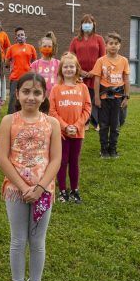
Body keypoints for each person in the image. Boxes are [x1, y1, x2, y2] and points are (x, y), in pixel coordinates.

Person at [0, 73, 62, 281]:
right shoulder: (9, 121)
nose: (31, 97)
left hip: (43, 192)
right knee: (18, 240)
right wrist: (23, 188)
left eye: (36, 92)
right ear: (17, 94)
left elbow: (56, 159)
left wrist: (40, 187)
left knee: (37, 241)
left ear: (44, 95)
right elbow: (2, 158)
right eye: (26, 91)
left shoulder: (52, 123)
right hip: (16, 190)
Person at [49, 53, 92, 203]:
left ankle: (74, 190)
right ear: (61, 69)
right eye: (65, 66)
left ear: (77, 68)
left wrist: (78, 125)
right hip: (61, 132)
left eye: (71, 66)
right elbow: (52, 110)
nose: (68, 69)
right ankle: (62, 191)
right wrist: (65, 126)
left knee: (74, 161)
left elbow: (87, 108)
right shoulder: (56, 88)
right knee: (62, 161)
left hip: (78, 132)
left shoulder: (83, 88)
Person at [91, 32, 130, 158]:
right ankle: (104, 150)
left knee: (115, 125)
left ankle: (112, 149)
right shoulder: (100, 61)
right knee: (103, 125)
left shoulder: (124, 61)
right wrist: (96, 97)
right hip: (103, 98)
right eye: (111, 43)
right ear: (106, 45)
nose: (113, 46)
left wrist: (126, 96)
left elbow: (126, 79)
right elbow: (96, 80)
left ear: (120, 46)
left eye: (116, 43)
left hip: (118, 98)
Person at [68, 14, 105, 129]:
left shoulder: (99, 39)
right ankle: (85, 121)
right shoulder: (75, 40)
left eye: (89, 22)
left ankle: (96, 122)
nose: (87, 25)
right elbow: (71, 57)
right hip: (80, 75)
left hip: (96, 75)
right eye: (85, 23)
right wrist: (79, 71)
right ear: (81, 25)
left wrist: (94, 71)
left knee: (95, 98)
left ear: (94, 24)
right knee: (82, 99)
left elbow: (103, 57)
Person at [4, 27, 38, 114]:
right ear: (16, 38)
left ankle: (25, 114)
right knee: (13, 98)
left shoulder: (31, 47)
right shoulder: (11, 48)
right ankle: (11, 117)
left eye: (22, 34)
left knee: (26, 97)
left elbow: (35, 61)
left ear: (25, 36)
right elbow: (7, 62)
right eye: (18, 35)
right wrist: (10, 67)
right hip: (15, 78)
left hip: (27, 78)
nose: (20, 36)